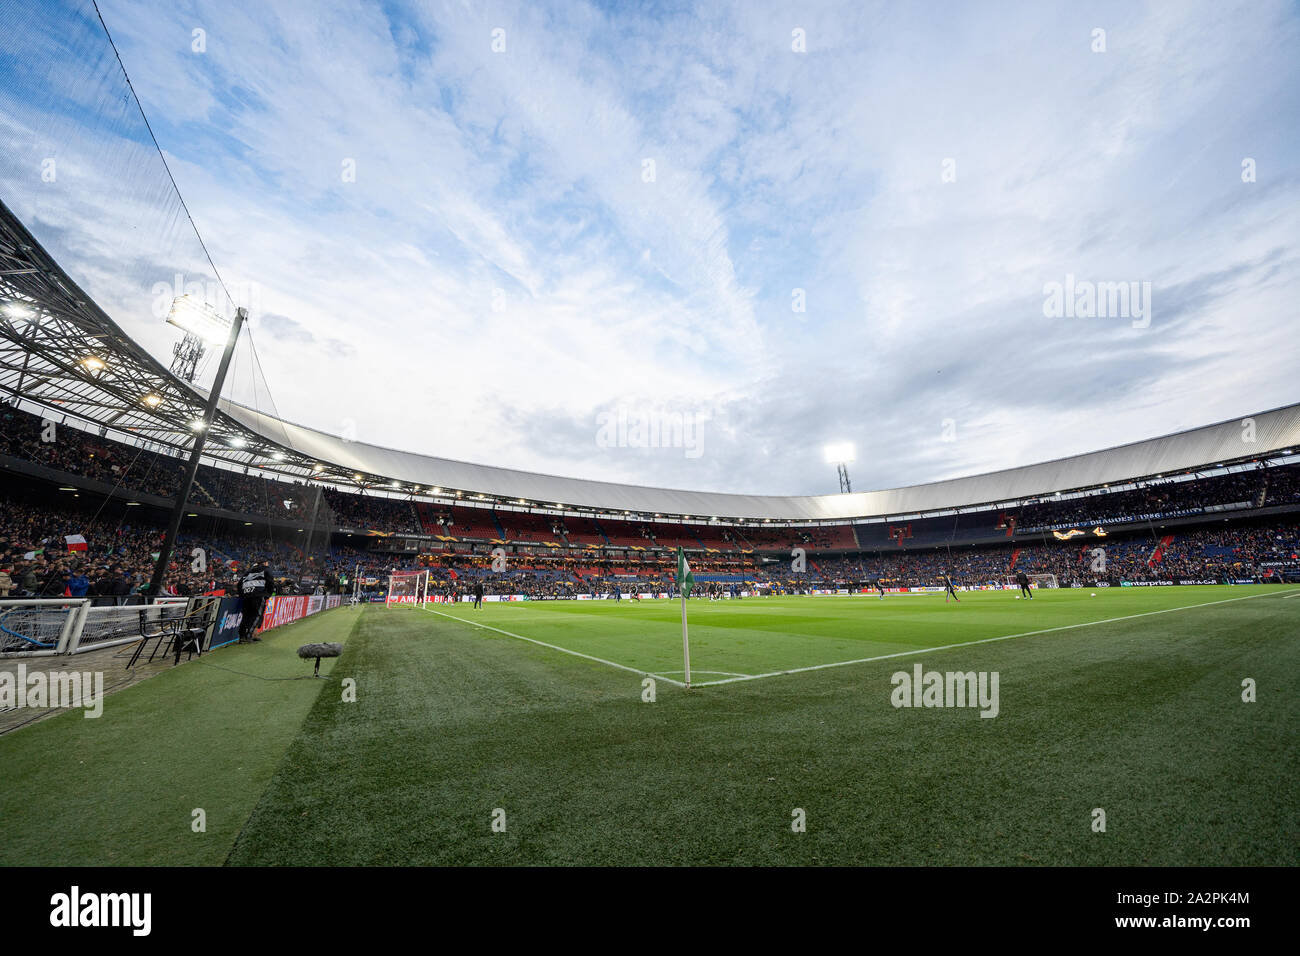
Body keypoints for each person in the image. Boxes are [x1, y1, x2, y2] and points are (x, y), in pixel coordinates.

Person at [239, 562, 273, 643]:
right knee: (257, 616)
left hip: (246, 596)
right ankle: (249, 636)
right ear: (264, 564)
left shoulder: (247, 572)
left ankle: (242, 636)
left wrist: (242, 594)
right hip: (258, 595)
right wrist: (267, 594)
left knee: (246, 616)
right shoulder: (266, 570)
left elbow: (239, 584)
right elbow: (270, 582)